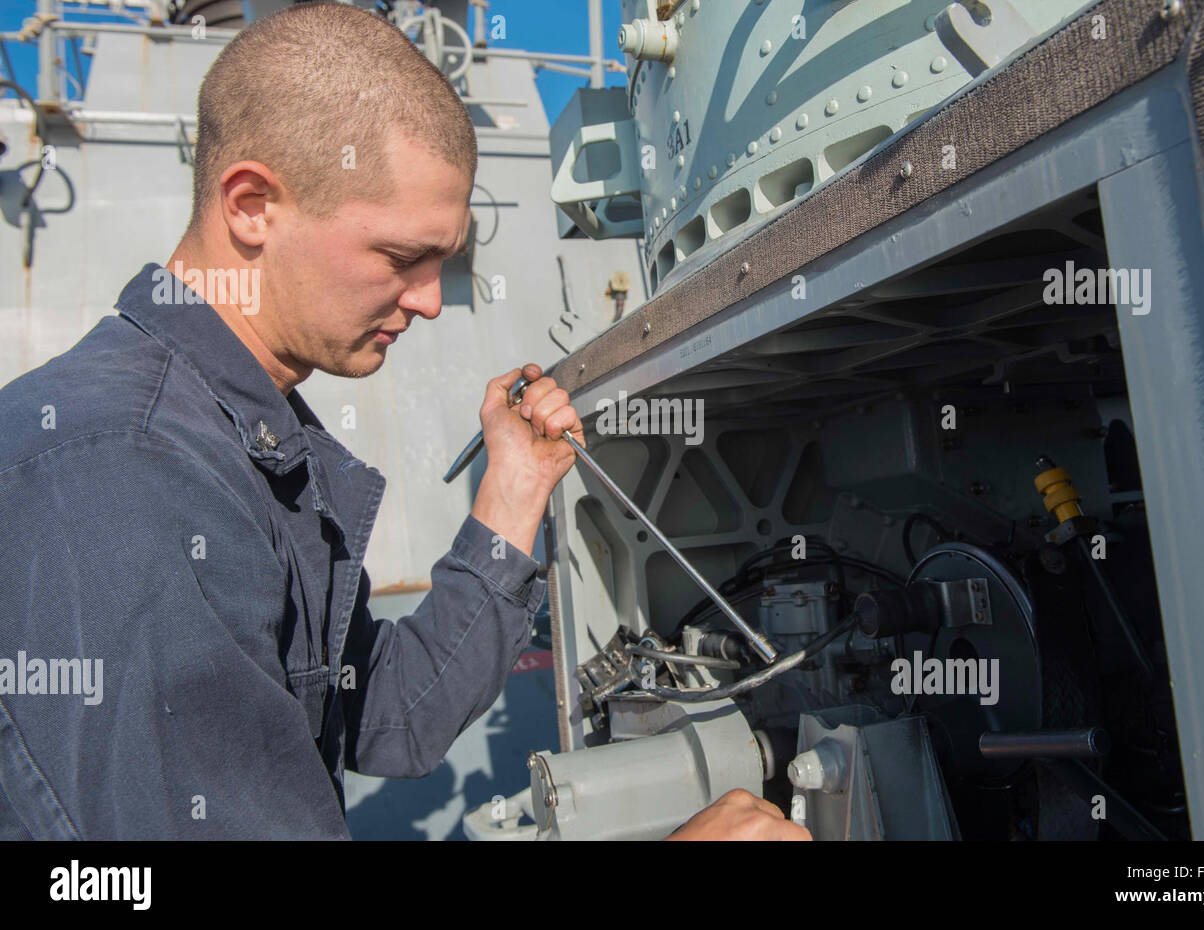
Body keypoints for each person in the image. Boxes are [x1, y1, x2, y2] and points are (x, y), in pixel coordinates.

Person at [0, 1, 807, 841]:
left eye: (444, 262)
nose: (428, 299)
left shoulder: (234, 429)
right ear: (251, 204)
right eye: (400, 257)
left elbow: (387, 717)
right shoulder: (125, 476)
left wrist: (514, 490)